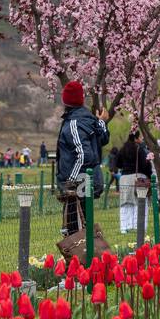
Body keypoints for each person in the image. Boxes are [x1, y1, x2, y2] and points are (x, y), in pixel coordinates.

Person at [55, 81, 110, 237]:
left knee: (75, 232)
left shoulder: (74, 123)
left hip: (79, 185)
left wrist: (69, 183)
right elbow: (103, 138)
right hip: (87, 182)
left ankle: (81, 260)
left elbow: (84, 155)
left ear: (65, 100)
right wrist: (102, 122)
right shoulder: (89, 119)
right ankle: (88, 257)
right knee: (84, 225)